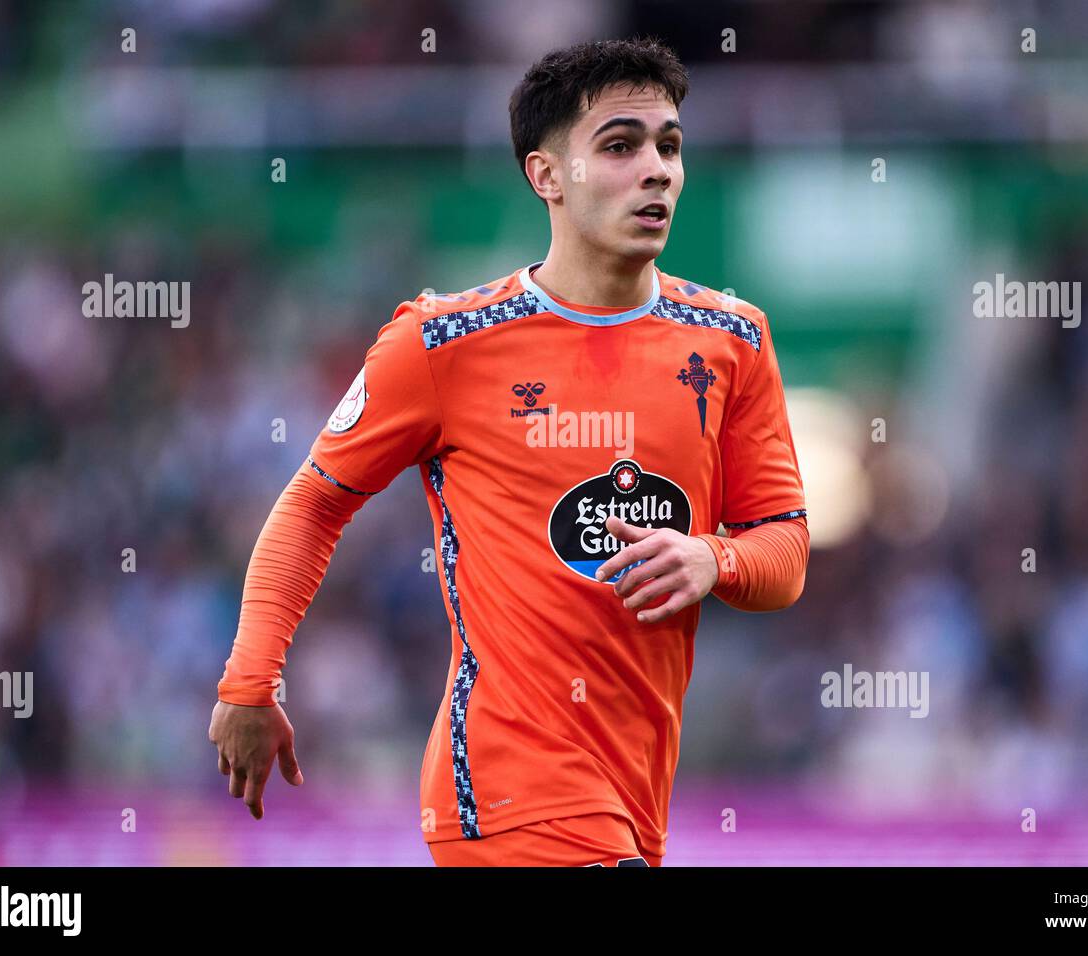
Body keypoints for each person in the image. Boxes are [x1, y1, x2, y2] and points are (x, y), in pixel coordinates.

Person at [209, 36, 810, 867]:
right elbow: (316, 499)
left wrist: (714, 559)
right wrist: (250, 681)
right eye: (621, 145)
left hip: (635, 796)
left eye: (669, 145)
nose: (658, 169)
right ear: (546, 176)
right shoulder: (443, 343)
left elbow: (785, 551)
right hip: (505, 787)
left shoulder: (733, 342)